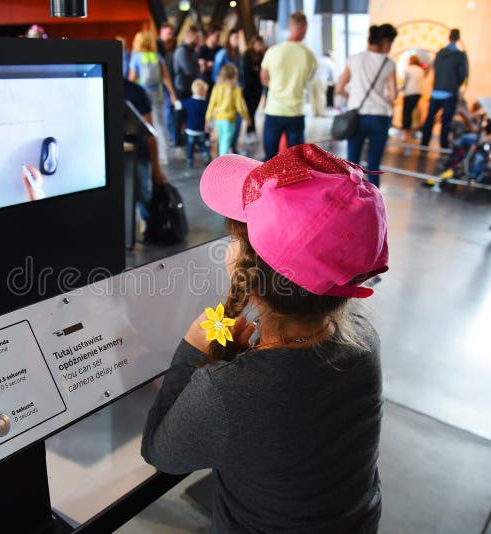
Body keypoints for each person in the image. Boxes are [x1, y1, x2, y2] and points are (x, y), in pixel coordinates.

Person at [142, 143, 387, 533]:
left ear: (248, 272)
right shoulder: (363, 341)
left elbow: (160, 452)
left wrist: (192, 351)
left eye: (236, 238)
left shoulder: (226, 391)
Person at [335, 23, 398, 187]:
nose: (390, 47)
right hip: (380, 117)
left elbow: (339, 88)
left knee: (352, 164)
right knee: (374, 165)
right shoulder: (389, 63)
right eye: (391, 43)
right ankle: (374, 202)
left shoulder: (354, 59)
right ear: (384, 41)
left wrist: (353, 97)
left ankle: (349, 198)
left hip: (357, 116)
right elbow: (394, 94)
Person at [260, 11, 317, 160]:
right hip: (296, 111)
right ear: (304, 28)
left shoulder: (273, 51)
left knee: (269, 158)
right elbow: (309, 78)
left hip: (274, 109)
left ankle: (268, 183)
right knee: (297, 160)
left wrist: (275, 87)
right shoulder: (309, 55)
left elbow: (264, 77)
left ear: (289, 27)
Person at [437, 95, 491, 181]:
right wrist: (472, 118)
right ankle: (456, 163)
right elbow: (477, 130)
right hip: (486, 140)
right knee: (465, 138)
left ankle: (457, 164)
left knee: (466, 139)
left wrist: (477, 143)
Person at [124, 79, 168, 228]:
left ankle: (152, 228)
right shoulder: (134, 90)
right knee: (141, 194)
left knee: (143, 196)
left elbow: (150, 133)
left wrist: (156, 169)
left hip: (138, 154)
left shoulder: (135, 91)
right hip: (133, 154)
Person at [129, 30, 178, 165]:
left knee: (145, 124)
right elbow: (166, 77)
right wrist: (173, 94)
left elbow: (132, 79)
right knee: (160, 123)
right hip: (158, 93)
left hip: (142, 94)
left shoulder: (136, 58)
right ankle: (164, 154)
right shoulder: (157, 56)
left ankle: (149, 154)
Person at [420, 29, 469, 149]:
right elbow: (463, 75)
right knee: (446, 121)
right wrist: (454, 84)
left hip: (436, 91)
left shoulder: (440, 53)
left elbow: (435, 69)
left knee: (430, 118)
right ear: (458, 38)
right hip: (450, 92)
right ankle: (443, 146)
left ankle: (424, 143)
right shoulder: (460, 55)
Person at [206, 64, 251, 156]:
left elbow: (211, 105)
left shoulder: (216, 88)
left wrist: (207, 119)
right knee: (225, 144)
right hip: (229, 120)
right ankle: (222, 166)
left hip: (218, 119)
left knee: (221, 142)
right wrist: (247, 117)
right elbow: (240, 107)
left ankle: (220, 162)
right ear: (234, 76)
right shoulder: (236, 89)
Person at [213, 30, 245, 153]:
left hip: (236, 92)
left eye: (239, 38)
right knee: (225, 132)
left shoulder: (238, 54)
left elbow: (242, 74)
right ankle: (224, 156)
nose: (237, 40)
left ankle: (232, 149)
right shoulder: (222, 54)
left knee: (234, 126)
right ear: (229, 38)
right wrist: (223, 90)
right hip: (225, 95)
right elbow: (216, 74)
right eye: (235, 37)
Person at [173, 25, 202, 146]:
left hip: (190, 87)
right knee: (179, 116)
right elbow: (189, 69)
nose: (198, 40)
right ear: (190, 37)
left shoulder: (192, 50)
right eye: (196, 37)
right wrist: (198, 66)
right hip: (182, 88)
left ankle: (188, 140)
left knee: (188, 116)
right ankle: (178, 141)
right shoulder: (182, 51)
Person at [242, 36, 266, 150]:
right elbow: (247, 70)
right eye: (258, 44)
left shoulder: (262, 55)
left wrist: (256, 69)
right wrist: (256, 69)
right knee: (250, 110)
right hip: (248, 87)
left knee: (254, 109)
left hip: (258, 86)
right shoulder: (247, 54)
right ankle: (249, 131)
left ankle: (252, 130)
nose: (259, 46)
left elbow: (262, 68)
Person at [181, 79, 212, 168]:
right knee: (202, 144)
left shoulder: (189, 101)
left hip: (190, 129)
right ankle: (206, 155)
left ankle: (190, 160)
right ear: (203, 92)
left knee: (190, 146)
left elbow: (179, 105)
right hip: (201, 129)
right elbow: (208, 116)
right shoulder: (205, 103)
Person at [157, 23, 178, 146]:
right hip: (160, 87)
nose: (170, 36)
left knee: (168, 113)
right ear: (161, 32)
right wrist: (172, 92)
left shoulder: (171, 47)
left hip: (166, 85)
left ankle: (171, 139)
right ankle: (169, 139)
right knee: (166, 114)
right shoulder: (158, 48)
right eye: (168, 33)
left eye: (171, 33)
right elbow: (164, 74)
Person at [400, 55, 425, 142]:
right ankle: (410, 132)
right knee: (411, 112)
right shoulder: (421, 70)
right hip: (418, 93)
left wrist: (400, 89)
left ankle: (405, 132)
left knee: (406, 112)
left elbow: (405, 83)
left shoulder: (408, 69)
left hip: (409, 92)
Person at [309, 52, 335, 117]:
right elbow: (333, 73)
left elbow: (311, 69)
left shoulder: (318, 59)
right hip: (321, 80)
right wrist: (333, 82)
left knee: (313, 96)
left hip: (312, 80)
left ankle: (315, 112)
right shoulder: (329, 61)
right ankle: (321, 112)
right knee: (321, 96)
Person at [198, 26, 222, 91]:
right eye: (217, 36)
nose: (218, 39)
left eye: (219, 36)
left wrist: (211, 65)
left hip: (217, 82)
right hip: (205, 82)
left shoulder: (220, 49)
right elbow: (202, 68)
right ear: (210, 35)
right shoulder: (202, 49)